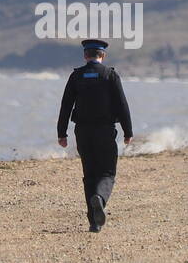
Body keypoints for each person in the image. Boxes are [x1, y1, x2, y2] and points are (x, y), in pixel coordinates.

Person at [57, 39, 133, 232]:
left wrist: (62, 133)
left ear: (85, 55)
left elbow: (66, 105)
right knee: (107, 173)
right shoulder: (110, 75)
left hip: (83, 132)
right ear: (103, 55)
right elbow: (122, 105)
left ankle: (94, 222)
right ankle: (99, 198)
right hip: (105, 132)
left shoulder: (76, 76)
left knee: (89, 175)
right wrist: (128, 132)